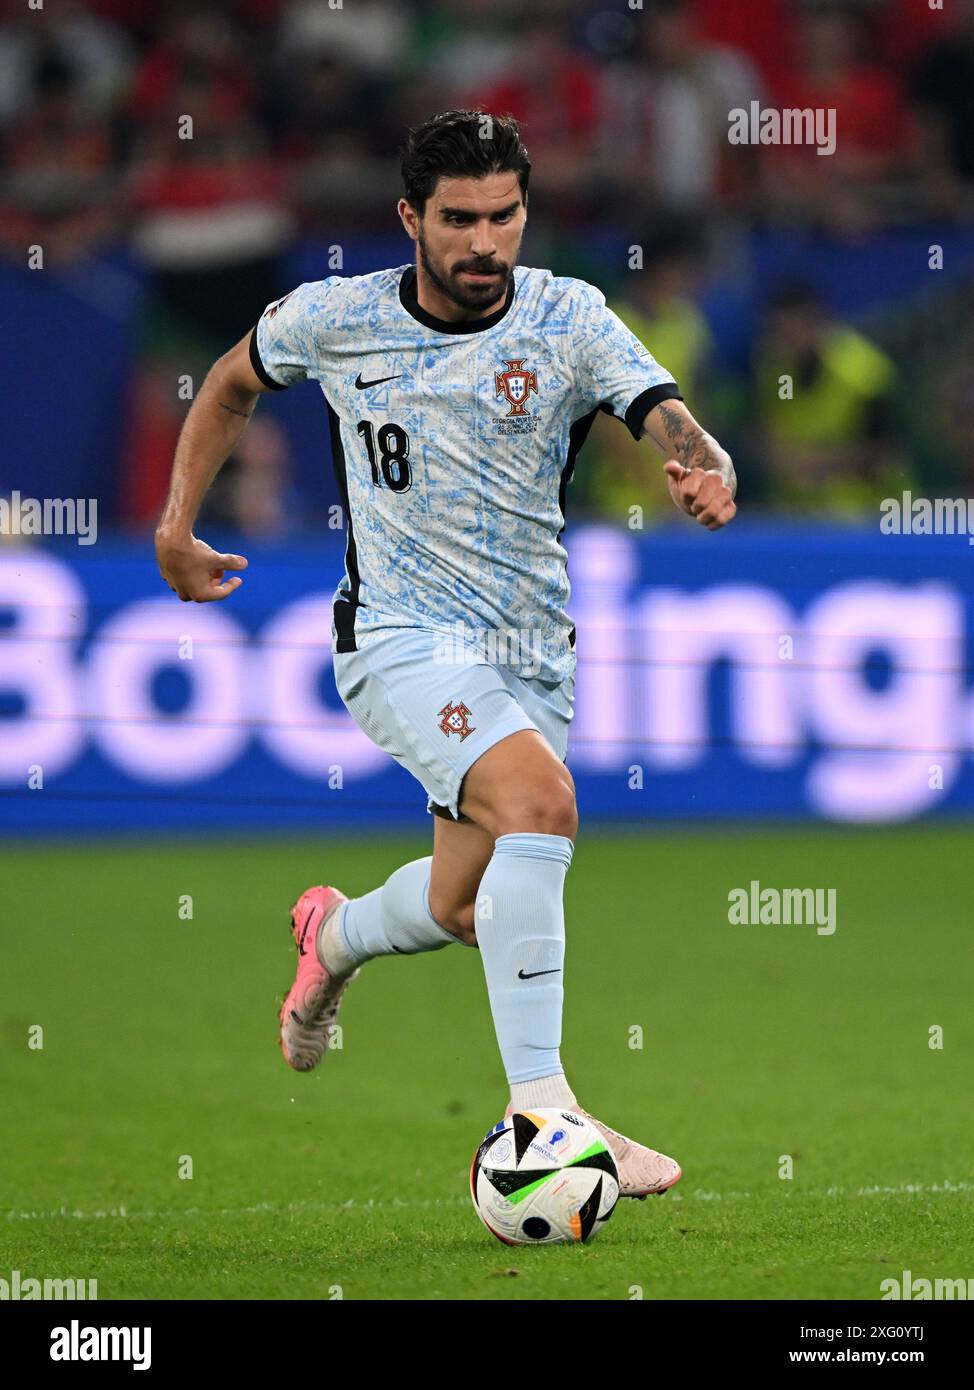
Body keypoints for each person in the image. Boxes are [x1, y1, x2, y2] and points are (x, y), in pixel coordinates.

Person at [154, 110, 737, 1198]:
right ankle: (545, 1112)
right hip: (398, 638)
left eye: (502, 216)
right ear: (409, 218)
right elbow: (228, 383)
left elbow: (660, 409)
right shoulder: (337, 318)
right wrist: (176, 523)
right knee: (542, 807)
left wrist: (702, 465)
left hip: (530, 649)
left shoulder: (568, 316)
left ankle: (330, 937)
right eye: (458, 220)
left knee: (470, 903)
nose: (483, 242)